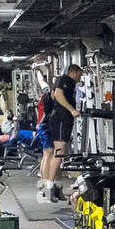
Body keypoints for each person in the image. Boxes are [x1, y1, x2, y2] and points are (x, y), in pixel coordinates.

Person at [39, 64, 82, 203]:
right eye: (79, 75)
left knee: (59, 155)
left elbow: (52, 95)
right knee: (58, 154)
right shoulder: (66, 80)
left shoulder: (62, 81)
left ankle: (55, 186)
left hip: (60, 119)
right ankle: (49, 187)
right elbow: (57, 94)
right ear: (73, 73)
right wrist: (71, 110)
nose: (79, 78)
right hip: (61, 119)